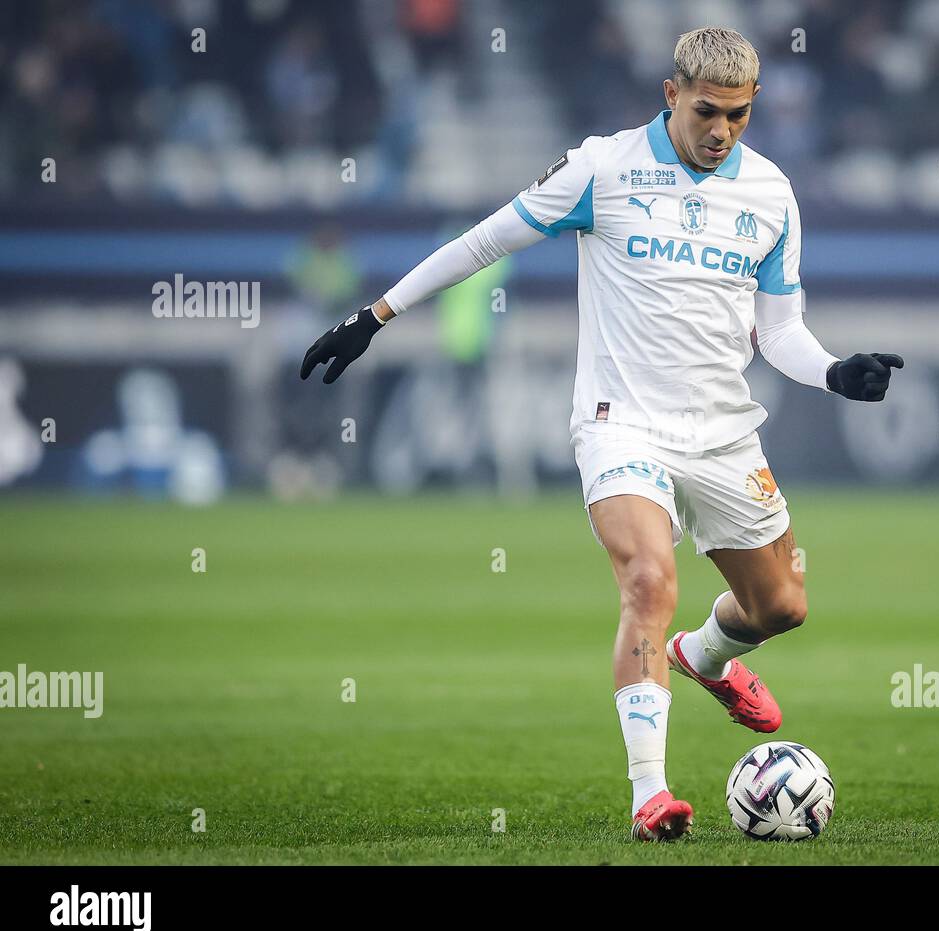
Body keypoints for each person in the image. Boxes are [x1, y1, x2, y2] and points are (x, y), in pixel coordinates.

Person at [300, 27, 902, 841]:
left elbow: (782, 330)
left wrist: (833, 370)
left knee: (782, 606)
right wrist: (375, 315)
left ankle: (705, 656)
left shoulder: (770, 194)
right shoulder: (604, 167)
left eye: (738, 116)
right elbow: (485, 239)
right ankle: (649, 794)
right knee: (649, 579)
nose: (721, 131)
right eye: (706, 112)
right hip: (623, 425)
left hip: (724, 432)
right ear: (670, 94)